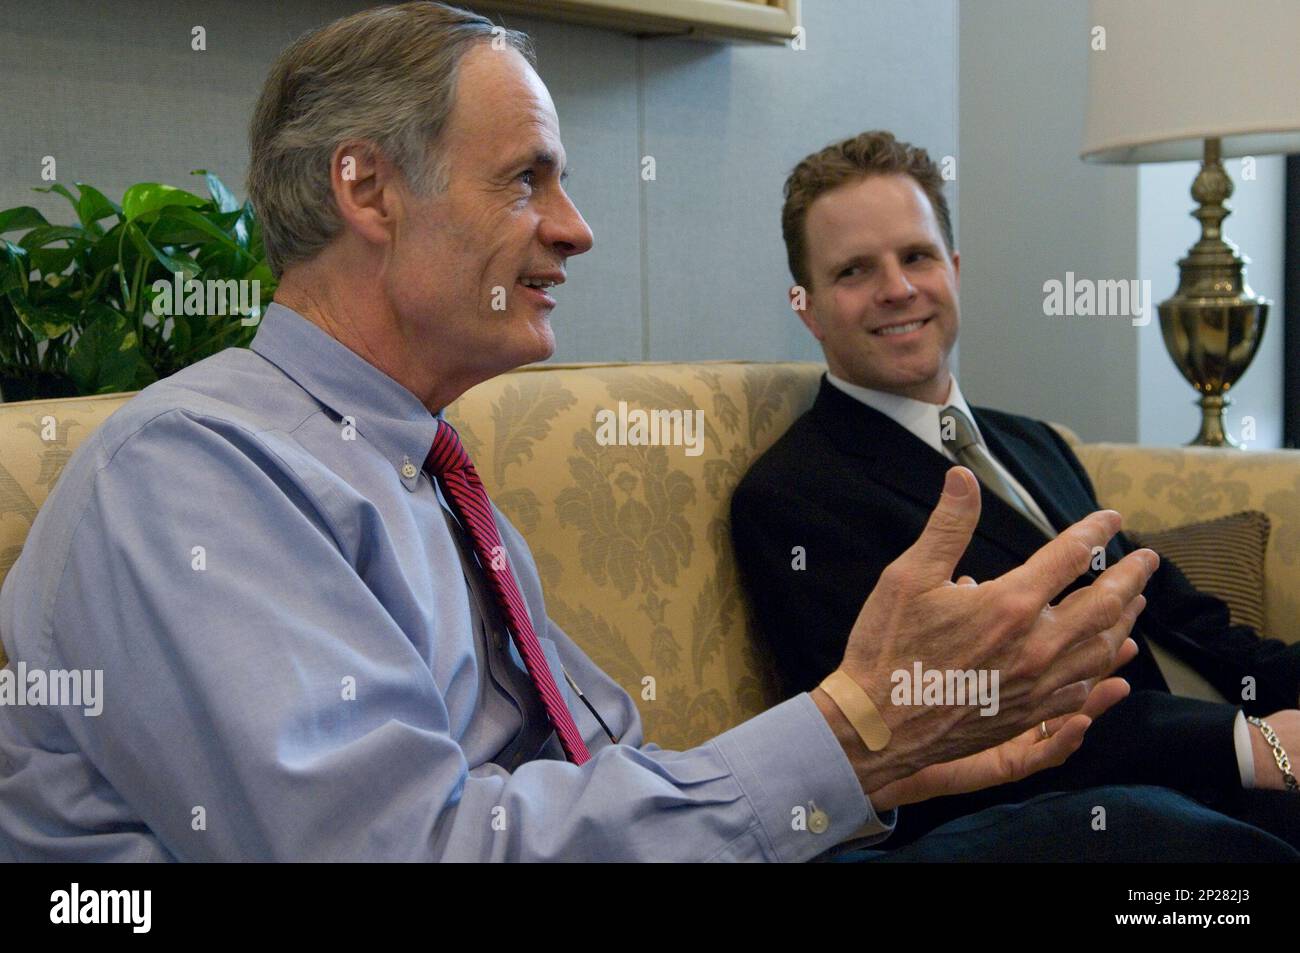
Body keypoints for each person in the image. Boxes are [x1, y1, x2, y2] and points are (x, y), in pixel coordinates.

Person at [0, 4, 1291, 863]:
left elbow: (606, 768)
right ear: (367, 187)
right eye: (527, 178)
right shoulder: (194, 474)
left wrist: (885, 766)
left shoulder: (427, 470)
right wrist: (848, 729)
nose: (577, 229)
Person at [730, 129, 1300, 849]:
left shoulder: (1036, 440)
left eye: (916, 256)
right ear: (806, 306)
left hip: (1211, 773)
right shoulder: (792, 497)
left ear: (955, 269)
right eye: (854, 271)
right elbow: (928, 730)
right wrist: (1247, 743)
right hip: (1077, 816)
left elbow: (1188, 621)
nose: (898, 288)